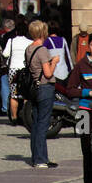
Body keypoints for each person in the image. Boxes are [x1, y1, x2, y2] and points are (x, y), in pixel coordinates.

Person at [67, 31, 92, 183]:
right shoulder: (81, 65)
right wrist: (88, 92)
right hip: (84, 112)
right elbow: (70, 89)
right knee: (87, 152)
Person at [23, 20, 59, 169]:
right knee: (43, 124)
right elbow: (48, 73)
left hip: (34, 88)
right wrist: (54, 62)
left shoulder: (28, 49)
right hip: (45, 87)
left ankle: (37, 156)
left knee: (37, 123)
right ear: (43, 32)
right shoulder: (42, 50)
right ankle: (40, 159)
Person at [2, 17, 32, 124]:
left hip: (13, 69)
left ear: (16, 31)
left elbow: (5, 54)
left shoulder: (11, 41)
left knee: (14, 94)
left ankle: (14, 117)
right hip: (25, 69)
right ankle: (26, 116)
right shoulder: (30, 42)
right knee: (26, 94)